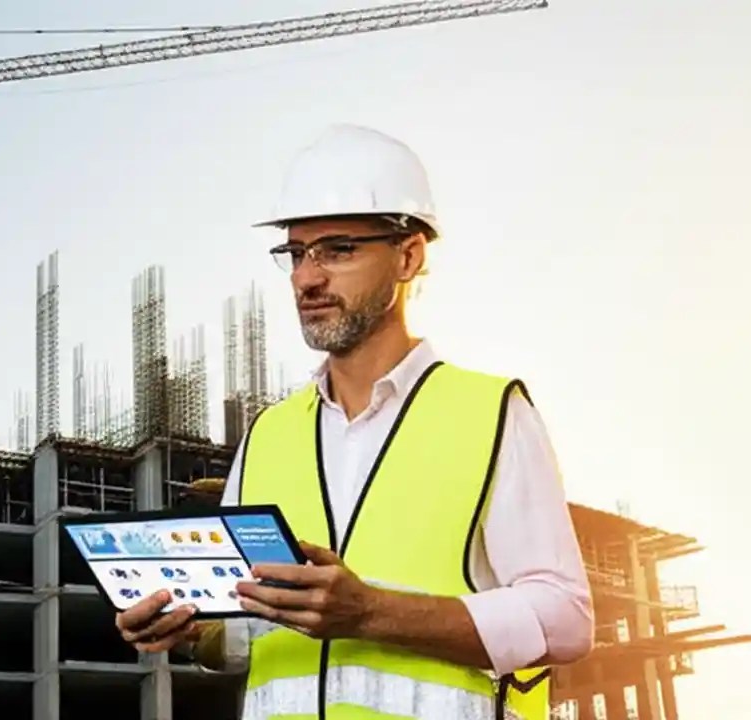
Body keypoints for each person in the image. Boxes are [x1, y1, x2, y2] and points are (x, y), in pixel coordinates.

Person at [114, 124, 594, 720]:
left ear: (409, 256)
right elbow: (243, 636)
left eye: (338, 249)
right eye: (296, 253)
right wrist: (191, 628)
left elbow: (566, 618)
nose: (306, 278)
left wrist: (371, 613)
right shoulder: (267, 436)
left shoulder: (491, 412)